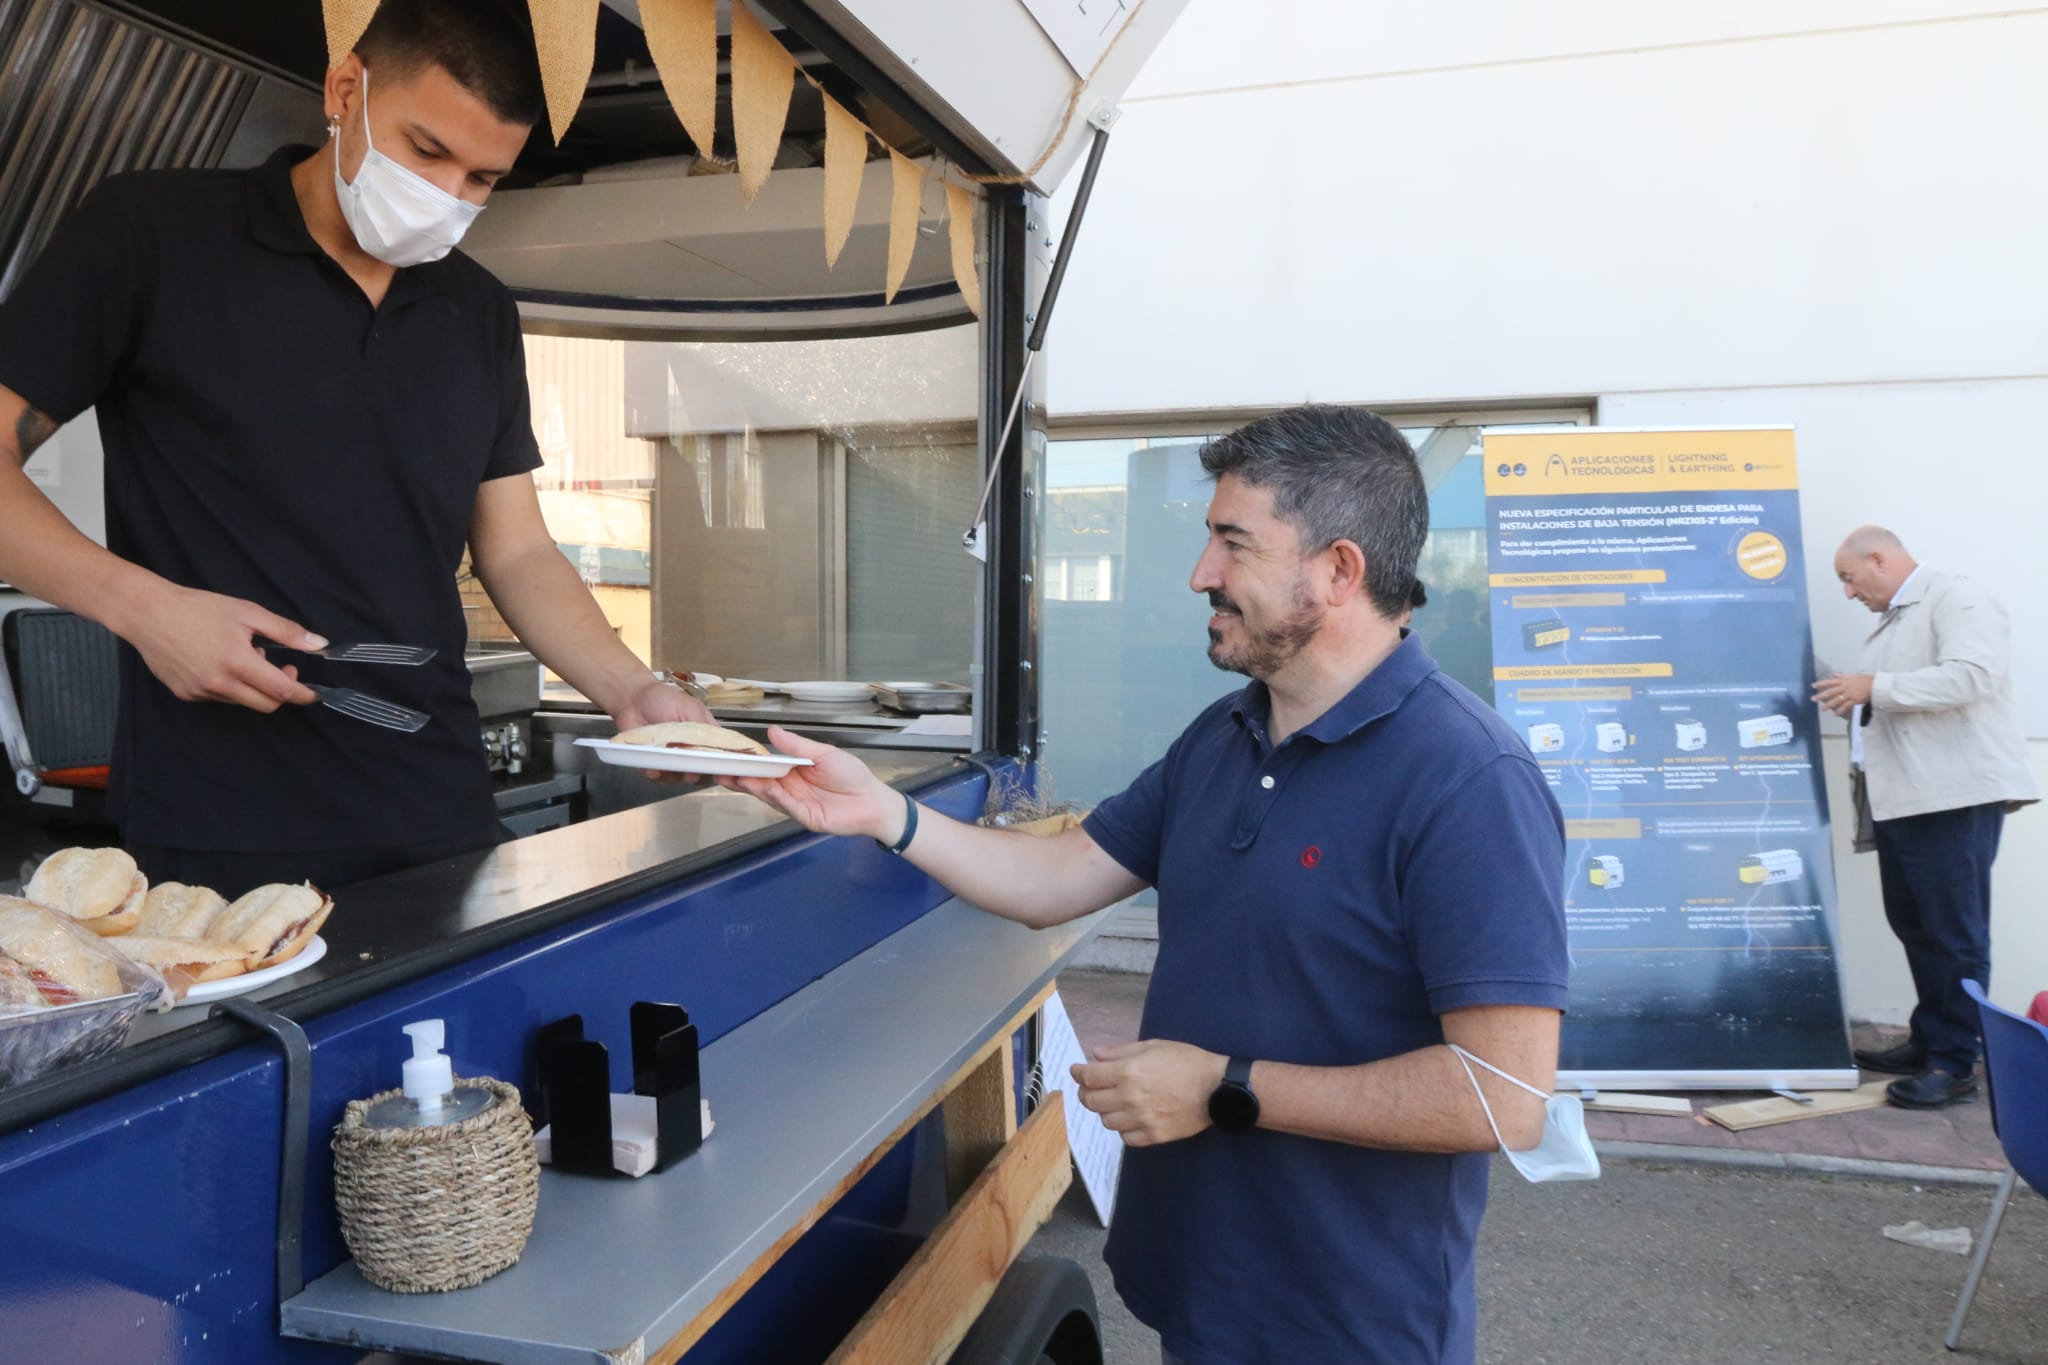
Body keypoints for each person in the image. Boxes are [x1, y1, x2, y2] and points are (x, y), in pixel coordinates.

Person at [728, 404, 1569, 1364]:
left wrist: (1226, 1089)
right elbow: (1060, 876)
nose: (1200, 573)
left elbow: (1501, 1096)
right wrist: (886, 813)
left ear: (1339, 570)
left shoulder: (1468, 780)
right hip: (1199, 1283)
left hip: (1348, 1321)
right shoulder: (1225, 735)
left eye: (1231, 542)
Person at [0, 0, 708, 898]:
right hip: (220, 831)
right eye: (426, 151)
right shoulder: (152, 234)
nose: (449, 197)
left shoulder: (478, 312)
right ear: (346, 89)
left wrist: (630, 689)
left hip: (442, 813)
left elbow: (518, 548)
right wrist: (143, 608)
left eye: (483, 179)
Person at [1814, 526, 2036, 1109]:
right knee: (1917, 925)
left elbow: (1973, 676)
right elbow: (1890, 692)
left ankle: (1955, 1063)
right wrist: (1854, 687)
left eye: (1848, 577)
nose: (1847, 592)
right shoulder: (1899, 618)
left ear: (1880, 559)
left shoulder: (1958, 599)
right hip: (1906, 799)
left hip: (1951, 797)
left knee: (1954, 932)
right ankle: (1931, 1040)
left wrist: (1873, 686)